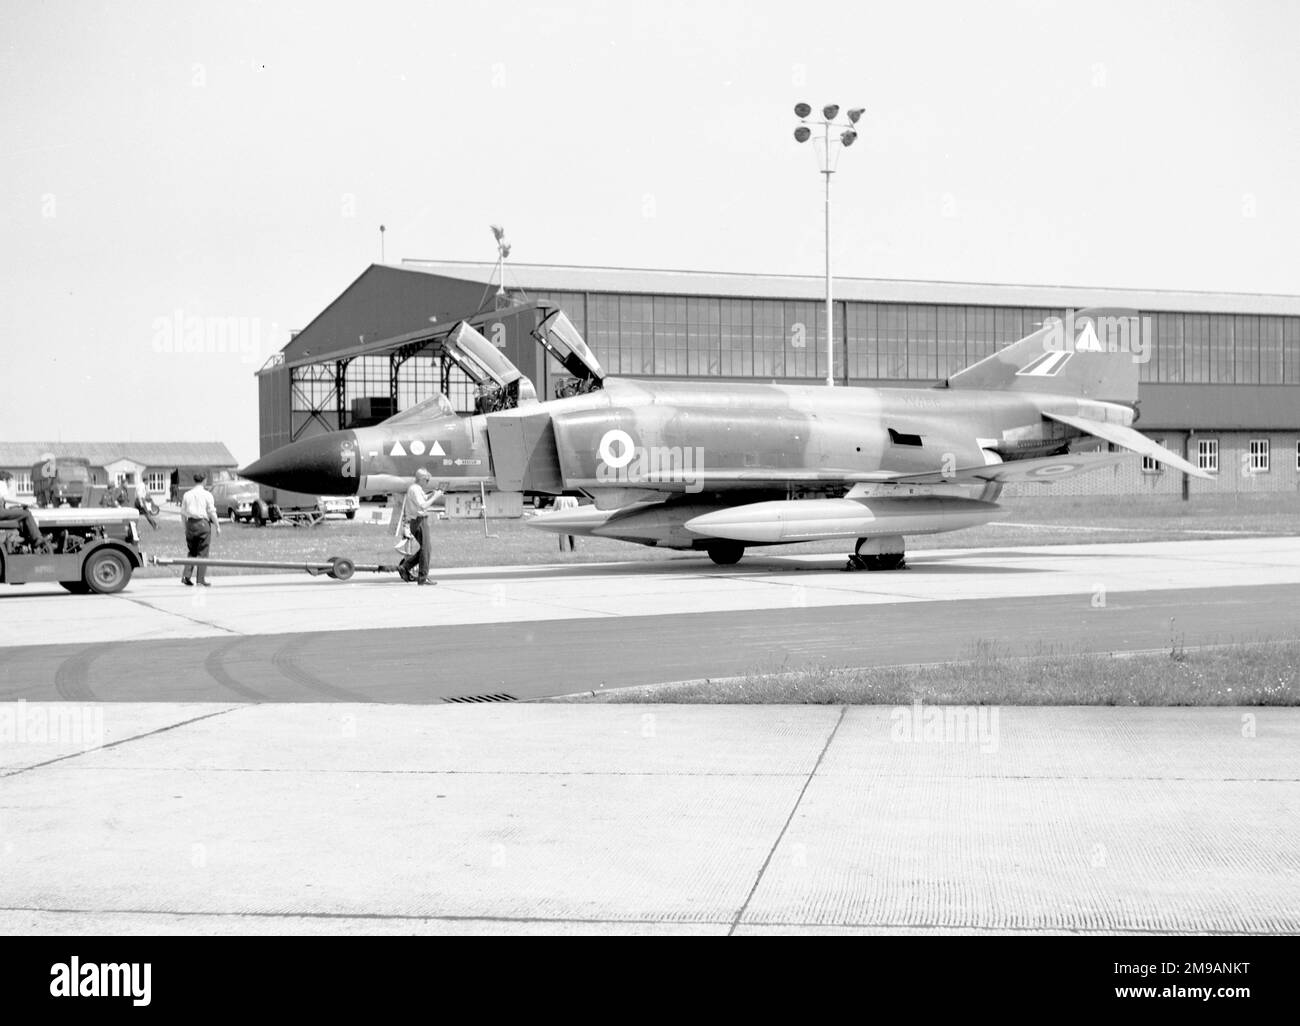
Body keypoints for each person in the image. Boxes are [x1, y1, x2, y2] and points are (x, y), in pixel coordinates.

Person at [396, 468, 441, 585]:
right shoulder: (415, 489)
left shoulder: (417, 488)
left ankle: (405, 566)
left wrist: (432, 493)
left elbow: (423, 499)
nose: (428, 481)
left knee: (425, 549)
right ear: (421, 479)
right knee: (426, 549)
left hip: (419, 521)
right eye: (426, 479)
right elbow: (423, 506)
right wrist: (436, 497)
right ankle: (422, 577)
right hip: (419, 520)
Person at [179, 472, 220, 586]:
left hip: (190, 523)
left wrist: (185, 527)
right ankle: (200, 579)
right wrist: (217, 525)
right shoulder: (207, 495)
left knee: (192, 551)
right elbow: (212, 512)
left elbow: (182, 513)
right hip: (202, 524)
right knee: (203, 552)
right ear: (204, 480)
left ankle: (186, 576)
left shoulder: (187, 494)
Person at [0, 472, 50, 553]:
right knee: (26, 514)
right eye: (10, 481)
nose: (11, 484)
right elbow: (6, 498)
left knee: (21, 512)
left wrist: (19, 506)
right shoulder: (1, 483)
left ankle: (25, 539)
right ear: (5, 480)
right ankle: (37, 538)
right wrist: (27, 503)